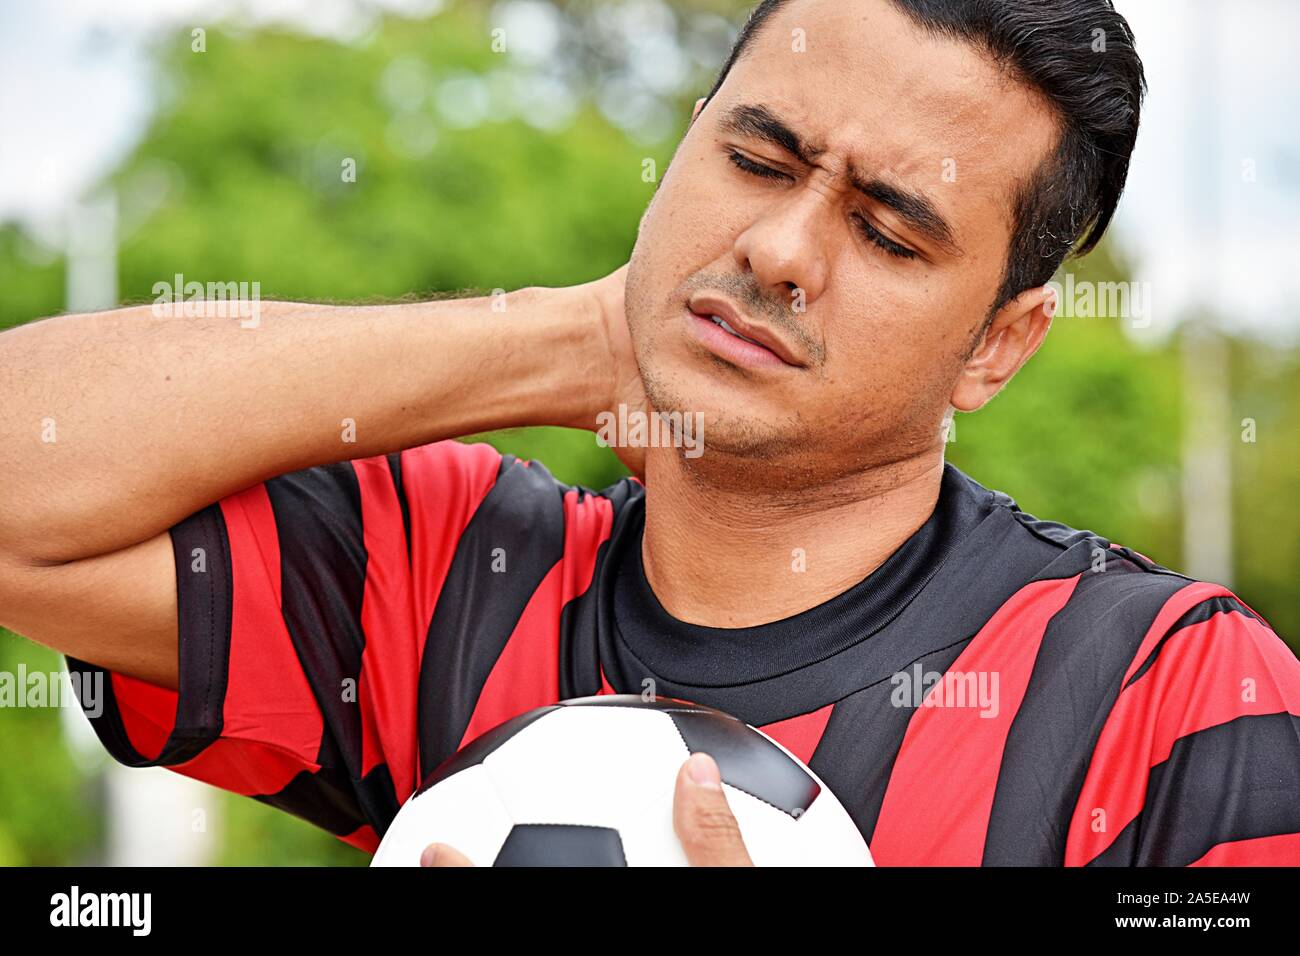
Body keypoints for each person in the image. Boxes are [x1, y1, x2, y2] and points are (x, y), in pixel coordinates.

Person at [1, 0, 1297, 867]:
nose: (781, 250)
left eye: (889, 232)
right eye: (757, 161)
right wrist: (572, 340)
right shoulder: (450, 576)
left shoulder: (1170, 694)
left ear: (1001, 345)